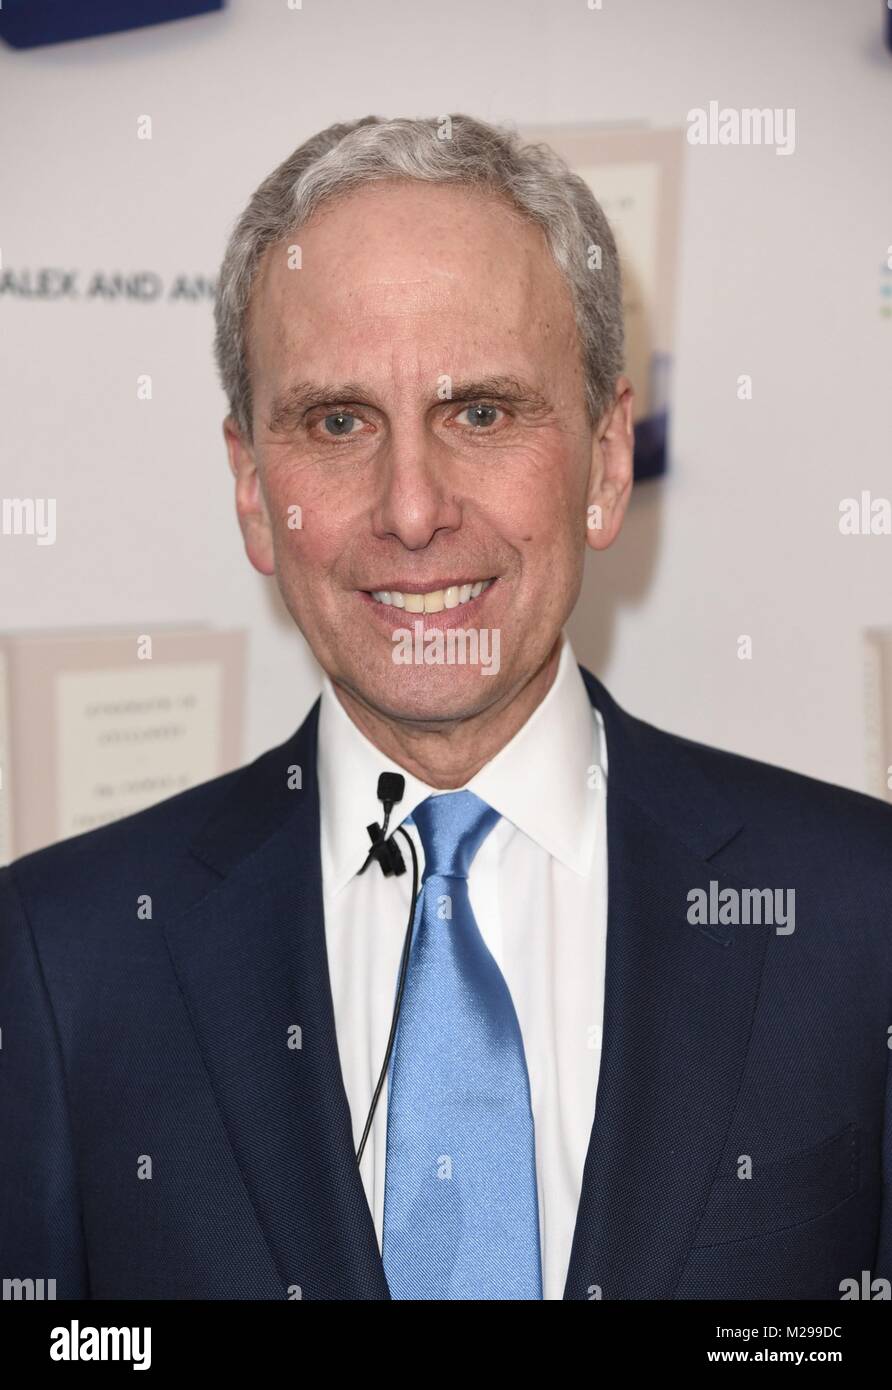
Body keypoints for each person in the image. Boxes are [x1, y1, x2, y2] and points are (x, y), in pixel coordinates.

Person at [1, 114, 890, 1302]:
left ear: (608, 459)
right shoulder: (65, 955)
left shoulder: (858, 914)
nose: (411, 509)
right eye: (336, 422)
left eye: (480, 411)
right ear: (253, 492)